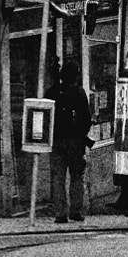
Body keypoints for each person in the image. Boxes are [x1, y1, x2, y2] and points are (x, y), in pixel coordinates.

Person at [47, 61, 92, 223]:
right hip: (76, 143)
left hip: (57, 142)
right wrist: (81, 134)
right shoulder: (79, 93)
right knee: (76, 177)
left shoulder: (51, 93)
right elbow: (87, 119)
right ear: (76, 76)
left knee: (58, 178)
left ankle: (60, 213)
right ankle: (75, 211)